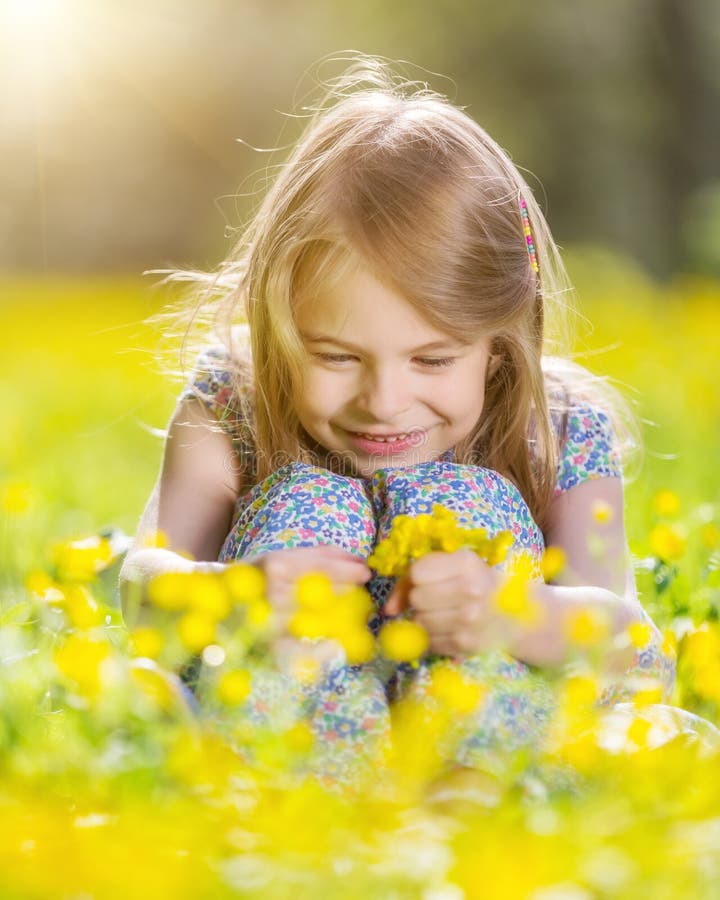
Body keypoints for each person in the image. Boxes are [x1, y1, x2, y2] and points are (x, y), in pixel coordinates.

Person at [119, 57, 680, 787]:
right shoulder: (234, 401)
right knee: (300, 501)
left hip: (479, 705)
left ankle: (467, 793)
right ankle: (273, 773)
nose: (384, 401)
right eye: (336, 356)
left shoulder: (560, 426)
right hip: (279, 694)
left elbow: (624, 631)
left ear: (500, 340)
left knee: (476, 512)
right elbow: (141, 579)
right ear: (277, 320)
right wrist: (231, 594)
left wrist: (514, 614)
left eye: (433, 360)